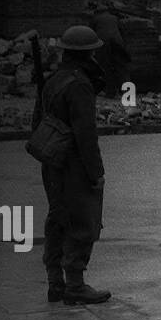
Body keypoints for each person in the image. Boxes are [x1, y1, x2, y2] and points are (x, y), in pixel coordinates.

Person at [37, 25, 111, 305]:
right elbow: (85, 134)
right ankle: (76, 285)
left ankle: (55, 283)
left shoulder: (55, 80)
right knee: (82, 221)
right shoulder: (80, 84)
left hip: (52, 159)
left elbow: (39, 121)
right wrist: (97, 172)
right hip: (74, 164)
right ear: (89, 52)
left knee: (57, 218)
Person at [89, 5, 132, 99]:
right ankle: (128, 94)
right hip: (117, 42)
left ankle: (110, 93)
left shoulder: (95, 19)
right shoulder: (115, 18)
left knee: (106, 67)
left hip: (103, 43)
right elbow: (123, 32)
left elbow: (91, 34)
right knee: (122, 67)